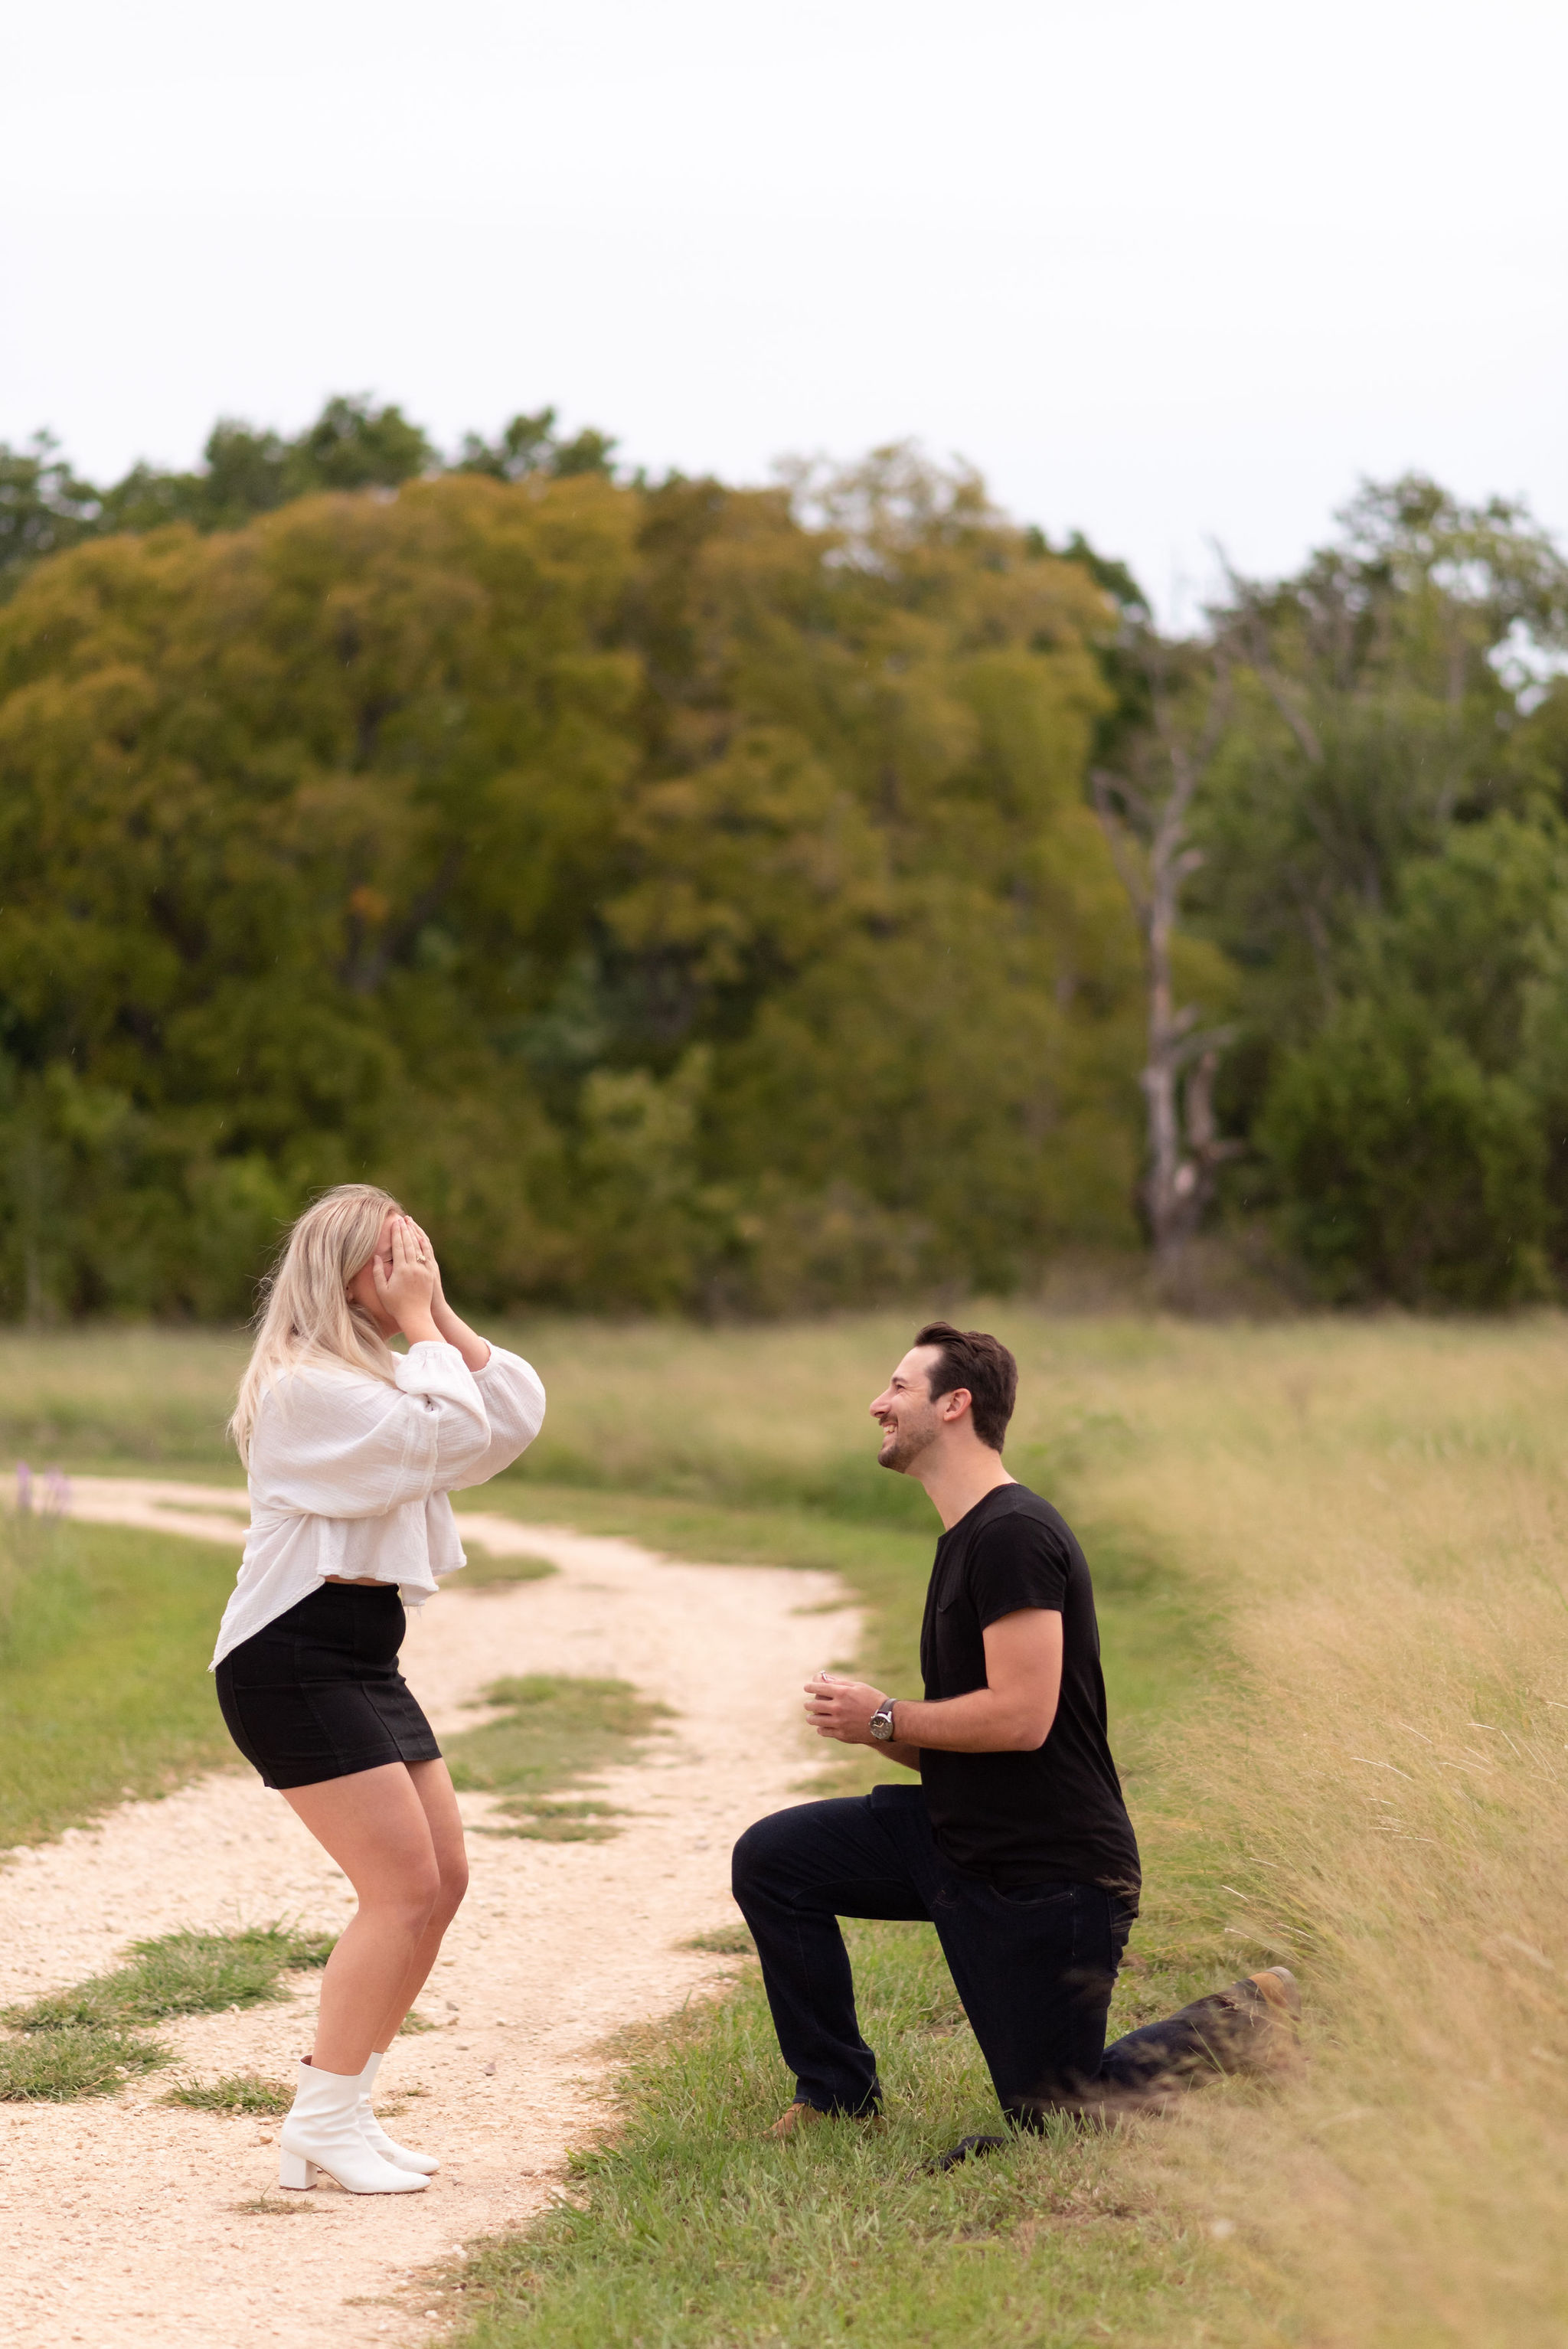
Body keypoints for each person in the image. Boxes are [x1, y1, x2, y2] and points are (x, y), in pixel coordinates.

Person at [731, 1321, 1298, 2162]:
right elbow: (976, 1736)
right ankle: (837, 2094)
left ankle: (1248, 2015)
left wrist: (884, 1713)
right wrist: (879, 1731)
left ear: (954, 1404)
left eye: (897, 1386)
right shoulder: (966, 1535)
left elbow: (1020, 1716)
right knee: (775, 1858)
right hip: (963, 1834)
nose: (876, 1403)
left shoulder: (1012, 1533)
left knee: (1052, 2113)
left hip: (1047, 1871)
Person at [213, 1184, 545, 2195]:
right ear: (339, 1271)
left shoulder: (394, 1373)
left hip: (362, 1653)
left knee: (442, 1884)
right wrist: (417, 1324)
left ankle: (344, 2106)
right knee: (397, 1891)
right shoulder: (304, 1387)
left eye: (417, 1252)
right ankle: (319, 2124)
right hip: (291, 1655)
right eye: (389, 1256)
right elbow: (441, 1438)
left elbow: (509, 1420)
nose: (410, 1267)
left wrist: (434, 1318)